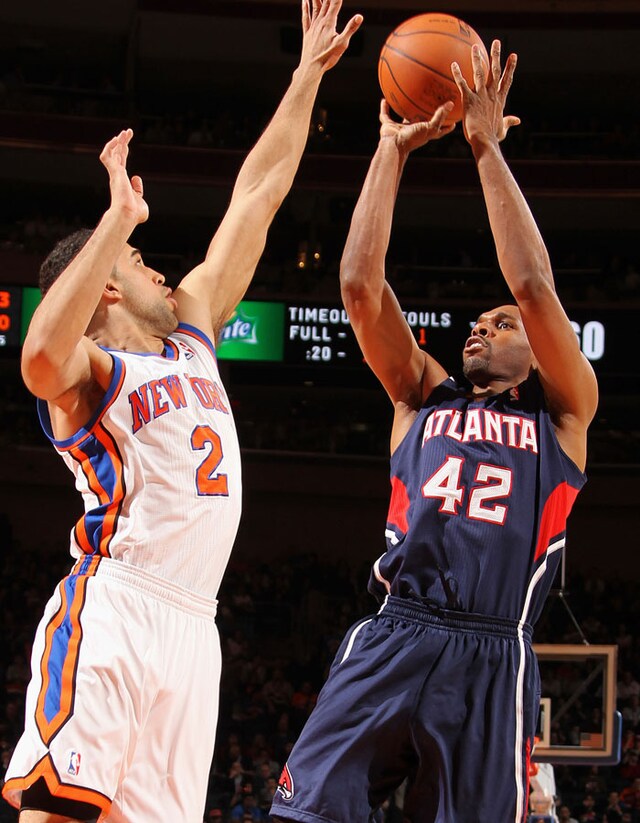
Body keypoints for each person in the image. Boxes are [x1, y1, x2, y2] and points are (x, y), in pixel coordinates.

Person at [1, 2, 362, 821]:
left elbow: (258, 197)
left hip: (195, 628)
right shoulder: (91, 371)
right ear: (100, 286)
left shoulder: (192, 332)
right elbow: (36, 358)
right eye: (141, 262)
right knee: (59, 812)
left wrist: (306, 77)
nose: (164, 274)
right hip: (116, 605)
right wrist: (114, 223)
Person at [271, 40, 598, 823]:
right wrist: (389, 150)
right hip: (397, 629)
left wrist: (484, 148)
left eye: (500, 323)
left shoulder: (564, 414)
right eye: (476, 321)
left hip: (492, 652)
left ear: (539, 349)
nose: (481, 326)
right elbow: (357, 282)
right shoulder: (421, 395)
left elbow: (532, 283)